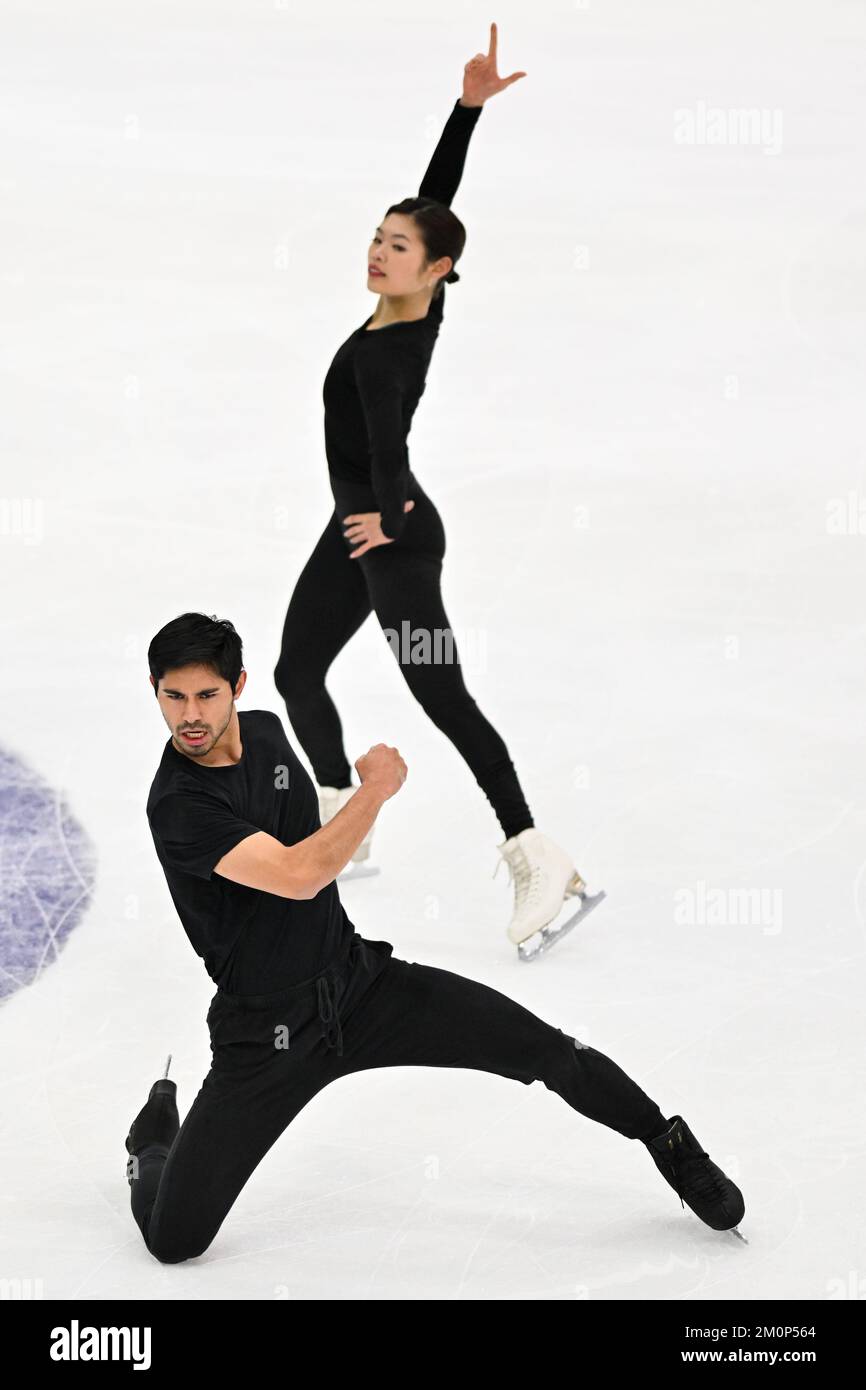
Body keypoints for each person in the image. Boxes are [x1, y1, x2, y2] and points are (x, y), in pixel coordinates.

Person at [128, 611, 745, 1264]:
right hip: (264, 1038)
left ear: (238, 686)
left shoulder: (269, 735)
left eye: (206, 694)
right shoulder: (178, 803)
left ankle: (669, 1143)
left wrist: (347, 818)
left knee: (546, 1050)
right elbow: (302, 873)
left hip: (360, 989)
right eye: (174, 696)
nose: (190, 714)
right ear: (154, 690)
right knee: (175, 1242)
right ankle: (152, 1140)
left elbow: (311, 847)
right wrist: (376, 789)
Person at [273, 24, 597, 954]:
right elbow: (437, 201)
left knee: (443, 697)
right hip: (360, 528)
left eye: (398, 248)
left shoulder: (388, 355)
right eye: (377, 238)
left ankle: (539, 854)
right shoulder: (417, 297)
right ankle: (345, 811)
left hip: (397, 544)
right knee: (298, 671)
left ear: (436, 270)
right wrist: (466, 111)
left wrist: (395, 515)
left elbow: (391, 452)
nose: (379, 253)